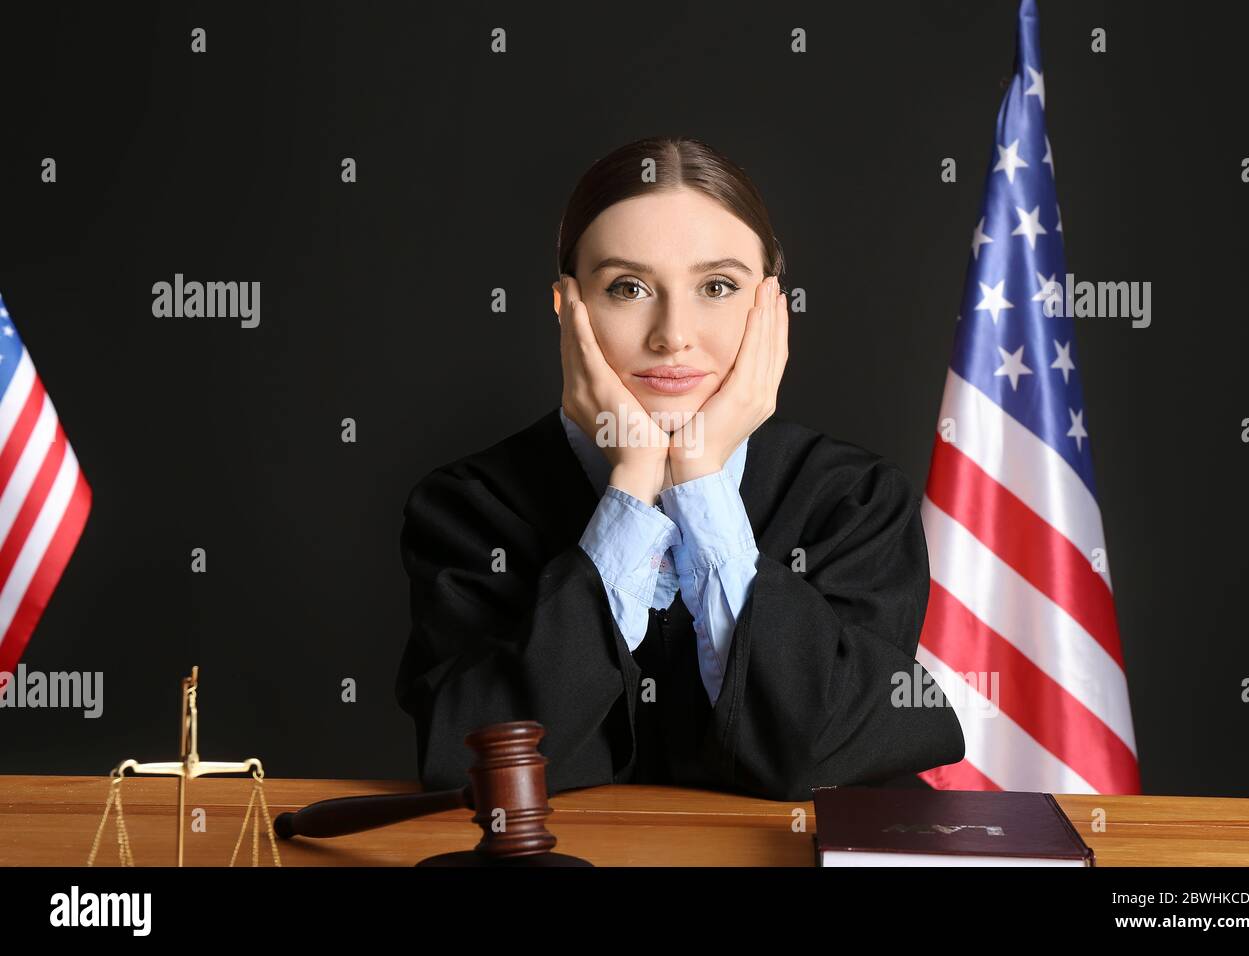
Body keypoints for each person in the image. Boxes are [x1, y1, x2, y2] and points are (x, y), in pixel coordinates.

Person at [395, 135, 964, 802]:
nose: (673, 333)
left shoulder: (854, 501)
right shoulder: (470, 505)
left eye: (717, 286)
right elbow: (480, 757)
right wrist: (634, 480)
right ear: (567, 307)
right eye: (628, 287)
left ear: (771, 307)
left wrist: (697, 479)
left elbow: (825, 752)